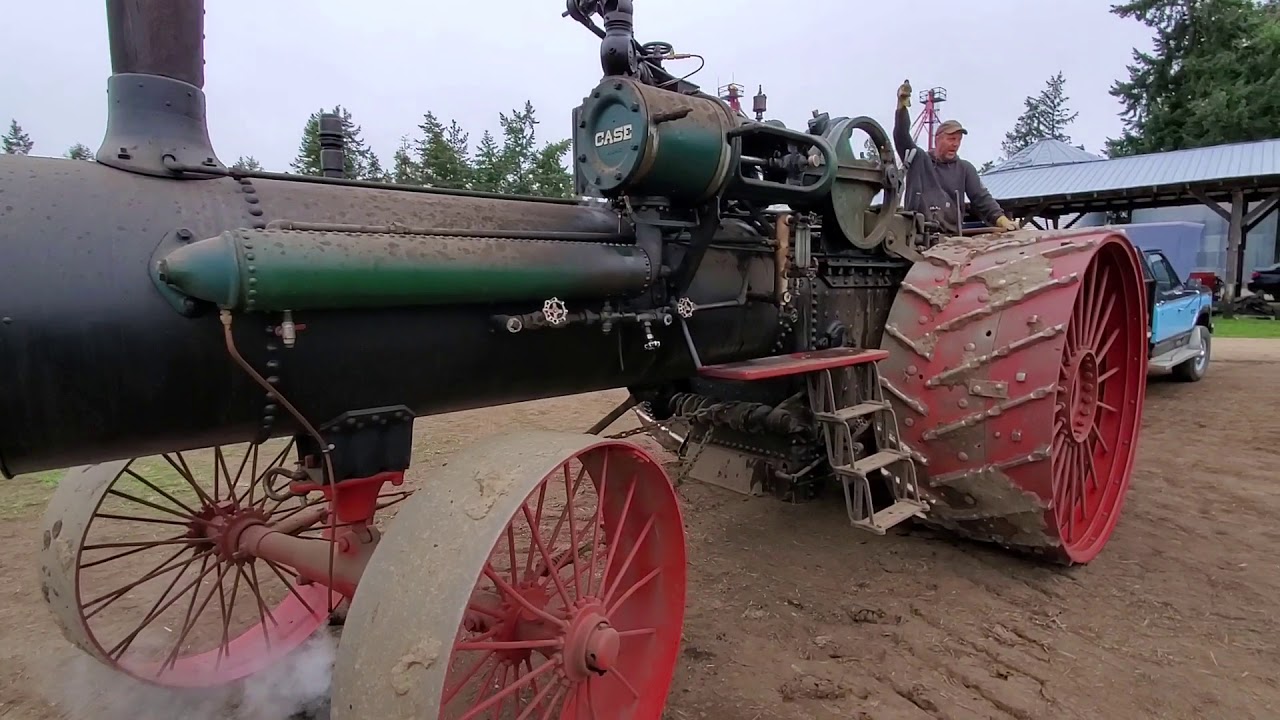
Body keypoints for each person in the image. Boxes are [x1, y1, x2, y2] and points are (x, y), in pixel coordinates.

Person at [892, 80, 1019, 235]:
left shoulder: (964, 169)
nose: (956, 144)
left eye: (959, 140)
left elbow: (982, 198)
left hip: (950, 237)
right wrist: (902, 107)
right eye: (951, 139)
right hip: (915, 235)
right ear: (937, 139)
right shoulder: (919, 160)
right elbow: (901, 136)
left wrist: (1001, 219)